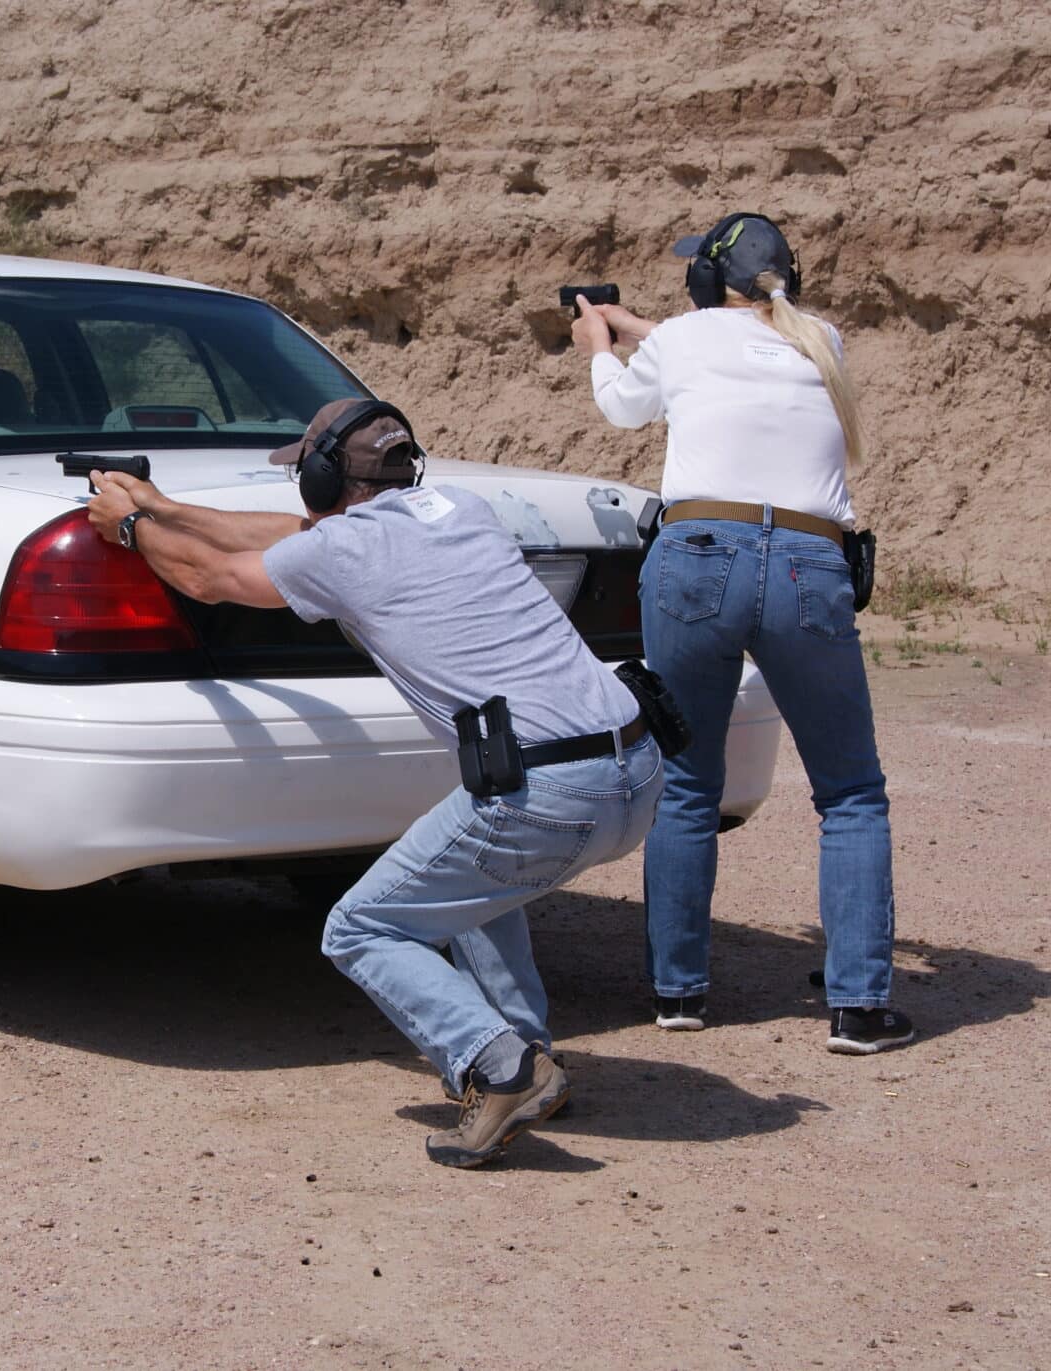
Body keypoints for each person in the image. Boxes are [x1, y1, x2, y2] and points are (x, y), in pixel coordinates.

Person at [85, 398, 661, 1167]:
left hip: (548, 793)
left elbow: (213, 575)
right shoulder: (460, 506)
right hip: (633, 768)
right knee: (466, 887)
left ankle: (496, 1066)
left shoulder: (344, 549)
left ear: (326, 479)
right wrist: (162, 504)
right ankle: (529, 1054)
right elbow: (301, 539)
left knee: (360, 927)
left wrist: (129, 527)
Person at [572, 212, 915, 1055]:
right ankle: (859, 1004)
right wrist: (636, 328)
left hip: (697, 556)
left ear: (703, 281)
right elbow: (744, 344)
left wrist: (597, 341)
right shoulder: (821, 340)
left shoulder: (686, 341)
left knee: (687, 781)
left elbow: (622, 406)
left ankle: (678, 992)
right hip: (810, 561)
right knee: (849, 791)